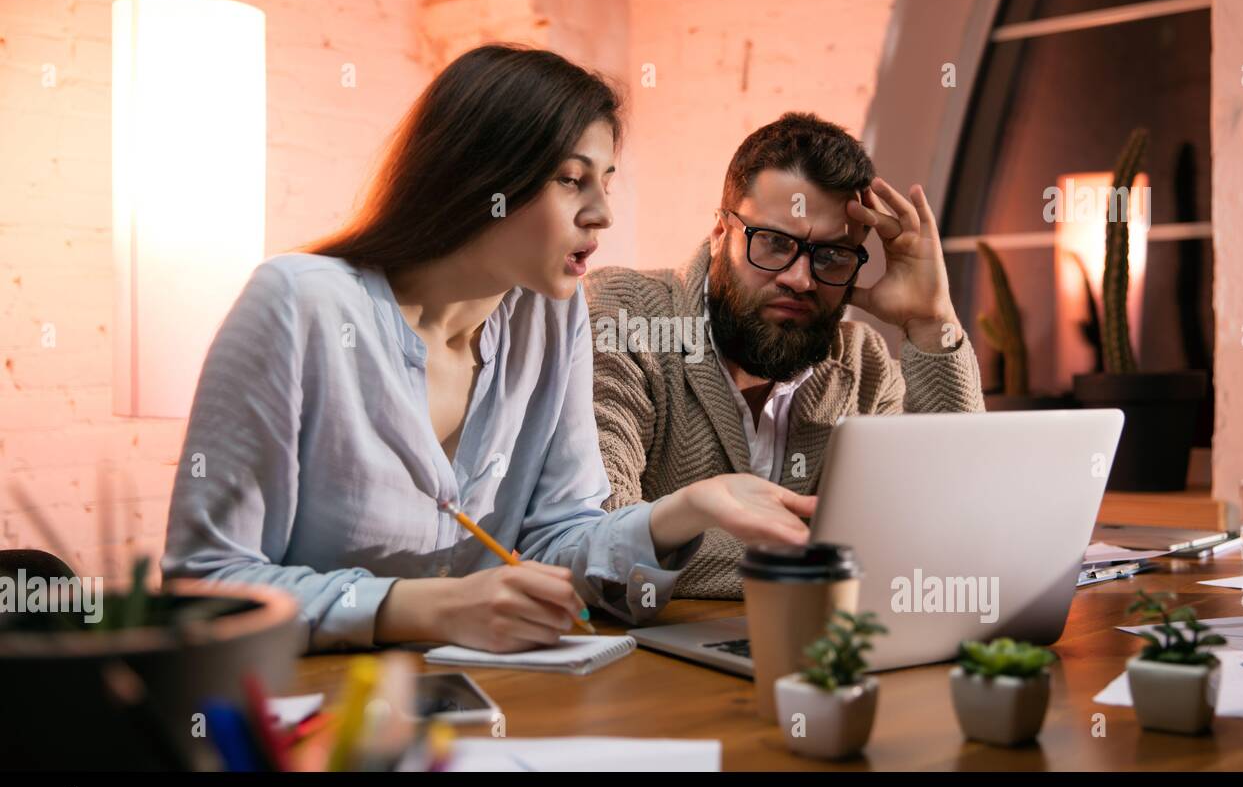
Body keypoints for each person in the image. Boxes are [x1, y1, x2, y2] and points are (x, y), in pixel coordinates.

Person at [162, 45, 816, 653]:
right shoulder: (298, 305)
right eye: (570, 179)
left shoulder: (553, 317)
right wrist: (426, 609)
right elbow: (207, 586)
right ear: (482, 181)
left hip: (484, 712)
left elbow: (561, 540)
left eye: (606, 182)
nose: (602, 214)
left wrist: (687, 508)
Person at [587, 111, 984, 599]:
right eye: (775, 243)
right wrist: (842, 561)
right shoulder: (630, 319)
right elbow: (600, 537)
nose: (801, 278)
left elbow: (953, 521)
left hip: (816, 653)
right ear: (720, 232)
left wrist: (931, 322)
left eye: (832, 255)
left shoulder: (865, 365)